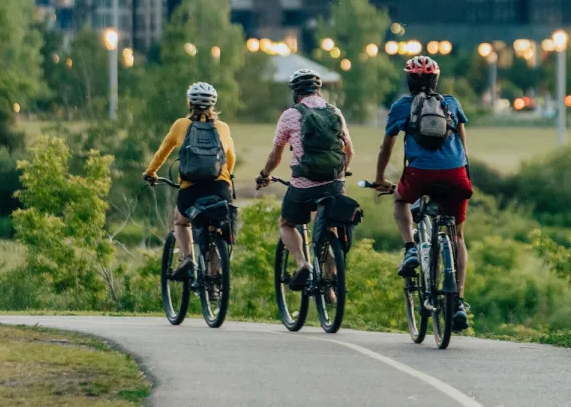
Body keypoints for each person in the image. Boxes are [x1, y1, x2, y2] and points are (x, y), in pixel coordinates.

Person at [372, 55, 474, 332]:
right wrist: (464, 172)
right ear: (435, 80)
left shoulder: (401, 106)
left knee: (400, 201)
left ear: (408, 82)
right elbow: (463, 145)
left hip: (420, 175)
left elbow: (386, 148)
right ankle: (459, 303)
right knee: (458, 237)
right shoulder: (451, 103)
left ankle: (410, 250)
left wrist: (380, 178)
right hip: (455, 174)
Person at [256, 68, 354, 291]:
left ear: (295, 92)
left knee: (287, 223)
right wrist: (342, 172)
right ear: (318, 90)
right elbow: (349, 151)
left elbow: (276, 156)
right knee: (330, 227)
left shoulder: (290, 115)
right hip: (335, 184)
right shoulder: (335, 112)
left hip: (304, 185)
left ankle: (302, 263)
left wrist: (264, 175)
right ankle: (331, 281)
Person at [144, 82, 236, 281]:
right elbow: (231, 158)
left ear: (190, 103)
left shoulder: (180, 125)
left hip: (191, 188)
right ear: (213, 104)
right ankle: (215, 279)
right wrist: (227, 177)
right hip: (220, 186)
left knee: (181, 221)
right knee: (215, 227)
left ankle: (187, 259)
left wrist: (151, 172)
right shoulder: (222, 127)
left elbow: (163, 152)